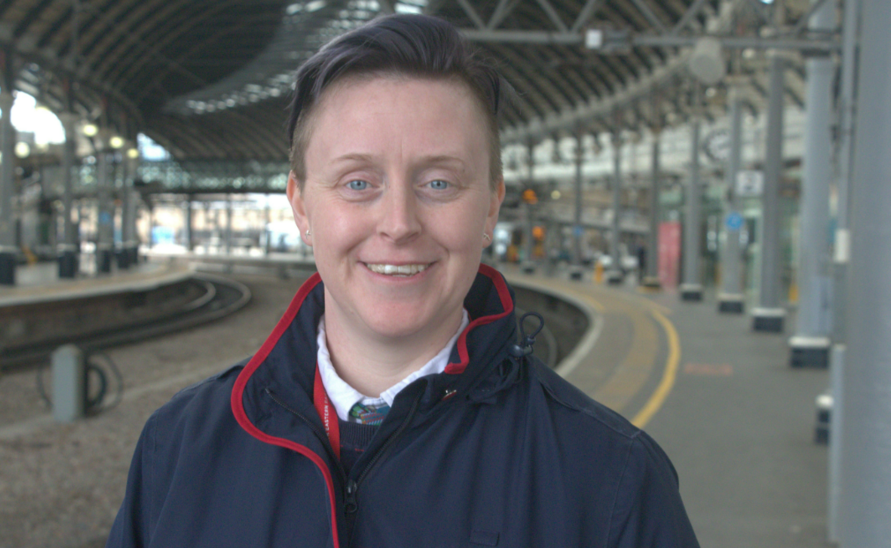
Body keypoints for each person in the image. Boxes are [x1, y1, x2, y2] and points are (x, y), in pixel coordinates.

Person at [107, 14, 699, 548]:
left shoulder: (613, 480)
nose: (398, 225)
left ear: (490, 207)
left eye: (438, 183)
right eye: (358, 183)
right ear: (301, 207)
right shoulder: (178, 446)